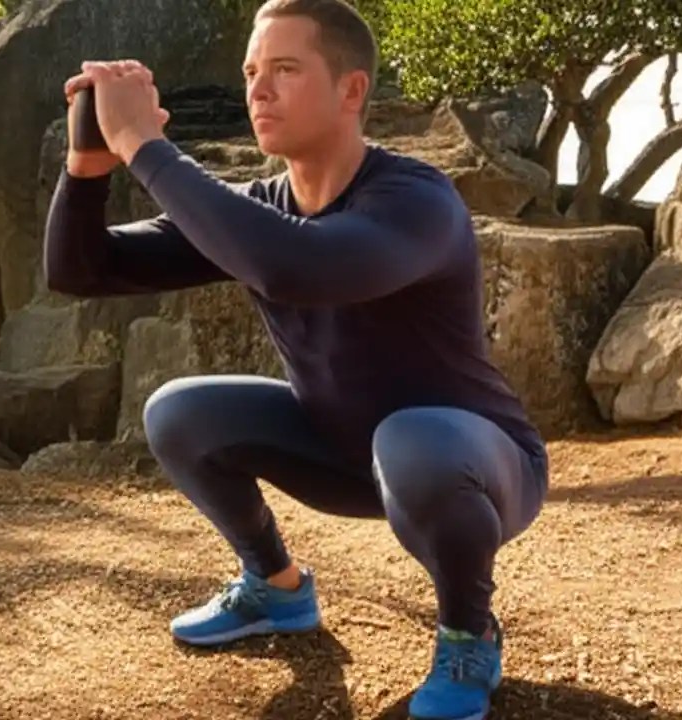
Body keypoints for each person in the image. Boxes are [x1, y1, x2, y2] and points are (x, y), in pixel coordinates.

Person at [43, 1, 549, 718]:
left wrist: (145, 145)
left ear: (351, 91)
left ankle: (470, 633)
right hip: (342, 451)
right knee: (180, 412)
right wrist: (89, 162)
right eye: (252, 71)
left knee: (411, 438)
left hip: (473, 467)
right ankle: (274, 589)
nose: (258, 89)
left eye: (285, 69)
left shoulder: (417, 201)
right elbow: (81, 271)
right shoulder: (261, 207)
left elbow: (294, 267)